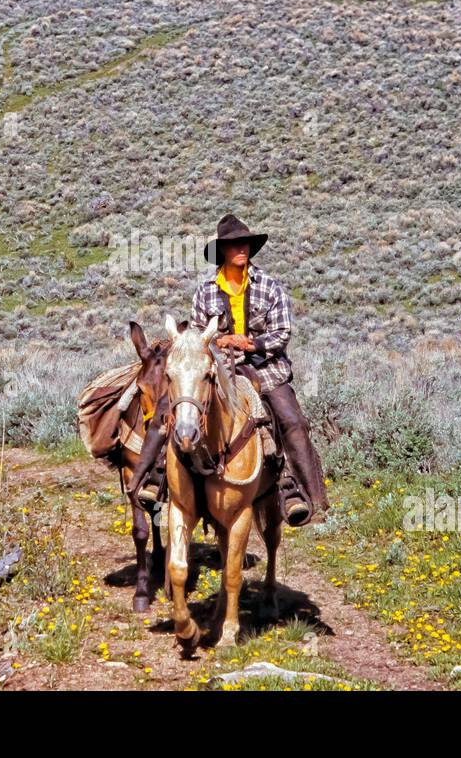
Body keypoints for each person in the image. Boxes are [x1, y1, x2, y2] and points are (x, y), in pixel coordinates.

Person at [132, 213, 329, 527]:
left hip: (267, 370)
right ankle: (156, 479)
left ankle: (301, 492)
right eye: (234, 244)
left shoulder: (270, 287)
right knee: (168, 409)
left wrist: (250, 345)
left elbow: (282, 333)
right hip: (219, 369)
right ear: (222, 250)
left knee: (292, 421)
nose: (241, 249)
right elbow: (196, 337)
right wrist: (222, 341)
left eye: (245, 243)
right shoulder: (205, 291)